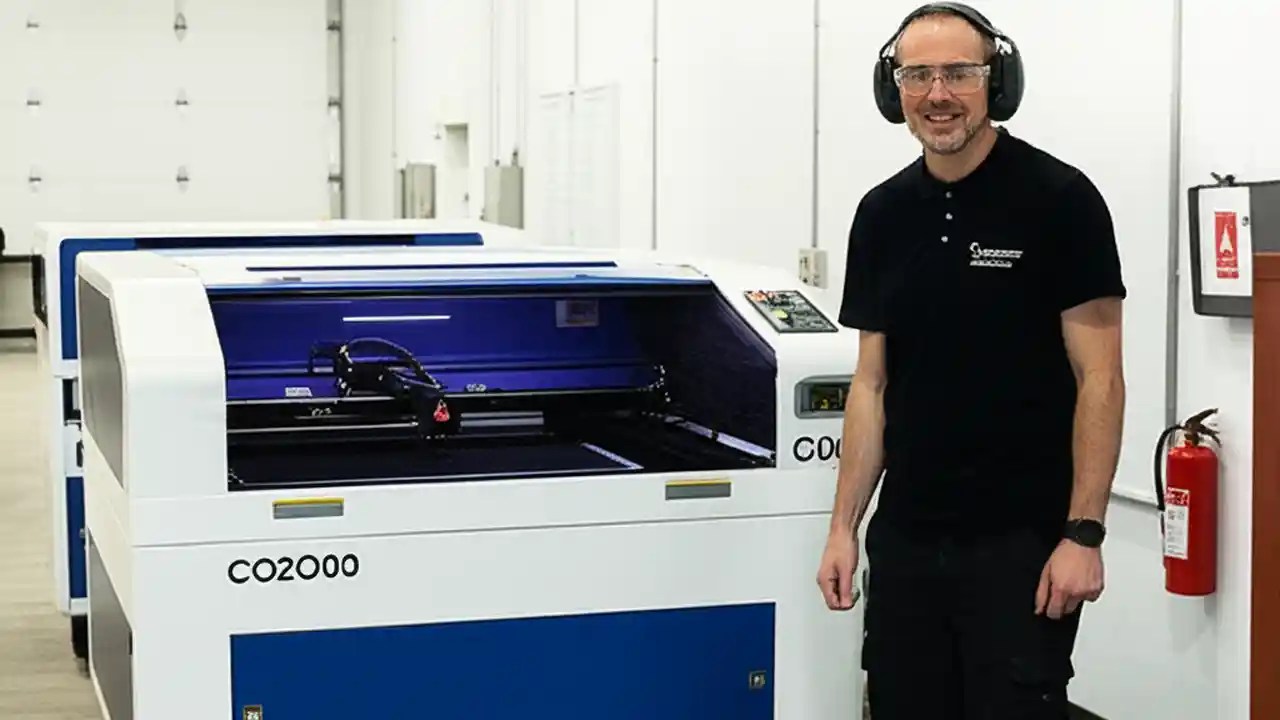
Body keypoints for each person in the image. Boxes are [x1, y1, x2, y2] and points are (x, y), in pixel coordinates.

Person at [815, 3, 1126, 718]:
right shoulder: (882, 213)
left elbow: (1101, 379)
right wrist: (843, 528)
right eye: (917, 75)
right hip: (908, 542)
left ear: (998, 82)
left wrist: (1084, 533)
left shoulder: (1061, 201)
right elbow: (871, 385)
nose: (937, 94)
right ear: (892, 89)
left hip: (1023, 546)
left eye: (960, 72)